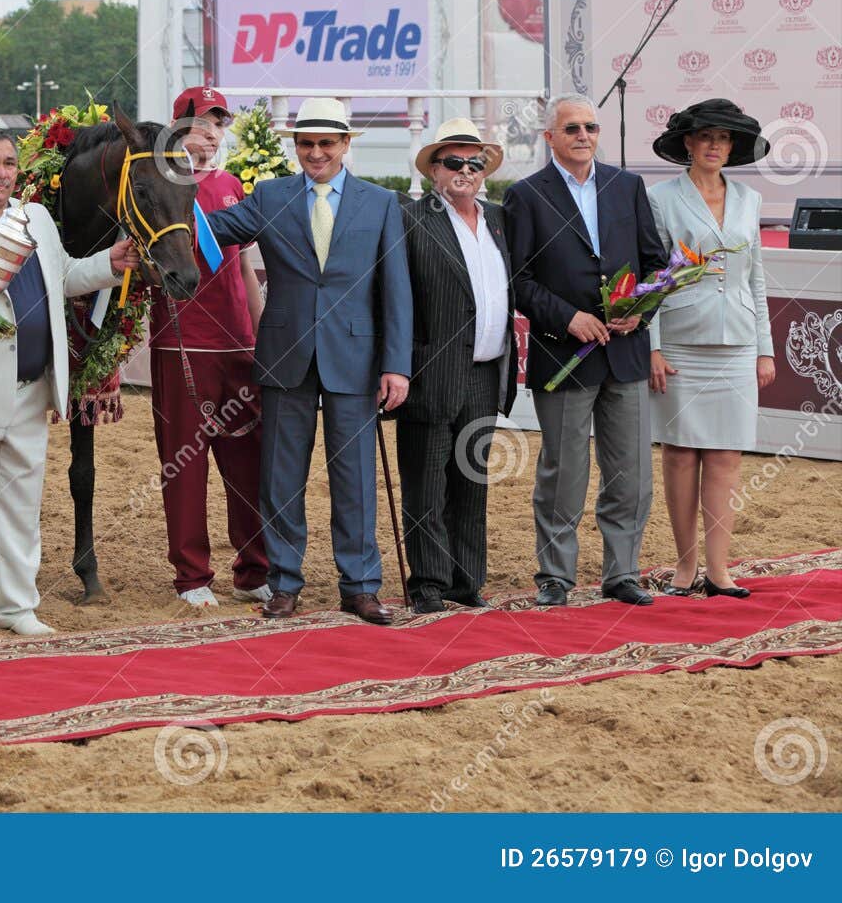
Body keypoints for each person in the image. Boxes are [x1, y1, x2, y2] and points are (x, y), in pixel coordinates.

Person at [0, 127, 136, 636]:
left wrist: (109, 264)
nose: (2, 173)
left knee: (20, 510)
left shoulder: (34, 217)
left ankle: (15, 608)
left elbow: (64, 278)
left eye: (9, 163)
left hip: (31, 390)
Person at [204, 97, 412, 625]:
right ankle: (284, 584)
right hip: (285, 355)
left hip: (357, 359)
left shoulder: (381, 202)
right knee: (281, 477)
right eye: (305, 143)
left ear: (346, 144)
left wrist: (397, 365)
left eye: (326, 142)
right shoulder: (269, 195)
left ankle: (361, 587)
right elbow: (209, 233)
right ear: (294, 147)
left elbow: (397, 292)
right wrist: (169, 190)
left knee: (355, 478)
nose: (315, 152)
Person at [502, 94, 669, 608]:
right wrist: (566, 317)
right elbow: (519, 278)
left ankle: (622, 573)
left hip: (626, 352)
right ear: (548, 136)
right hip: (562, 352)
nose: (583, 135)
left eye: (591, 127)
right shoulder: (525, 195)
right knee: (563, 472)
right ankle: (556, 576)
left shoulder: (627, 186)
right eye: (571, 127)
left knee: (631, 473)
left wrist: (643, 309)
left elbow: (656, 264)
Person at [646, 99, 775, 599]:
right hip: (680, 342)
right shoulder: (661, 198)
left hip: (739, 346)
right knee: (679, 456)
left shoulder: (750, 199)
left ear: (733, 147)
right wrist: (652, 347)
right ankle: (684, 567)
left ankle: (719, 571)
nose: (714, 146)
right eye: (705, 137)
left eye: (723, 138)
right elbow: (654, 277)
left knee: (726, 459)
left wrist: (764, 348)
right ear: (688, 143)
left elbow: (757, 278)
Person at [150, 86, 269, 608]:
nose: (213, 134)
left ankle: (254, 569)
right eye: (203, 124)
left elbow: (243, 264)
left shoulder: (230, 184)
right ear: (177, 129)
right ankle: (193, 575)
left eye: (220, 126)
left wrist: (261, 335)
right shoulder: (158, 184)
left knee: (249, 458)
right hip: (183, 342)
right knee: (186, 461)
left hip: (237, 341)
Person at [395, 120, 517, 614]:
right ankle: (426, 582)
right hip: (430, 369)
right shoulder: (410, 219)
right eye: (453, 162)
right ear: (433, 171)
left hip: (486, 372)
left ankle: (466, 582)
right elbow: (396, 300)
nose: (465, 170)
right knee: (426, 481)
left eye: (475, 162)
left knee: (472, 479)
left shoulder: (500, 219)